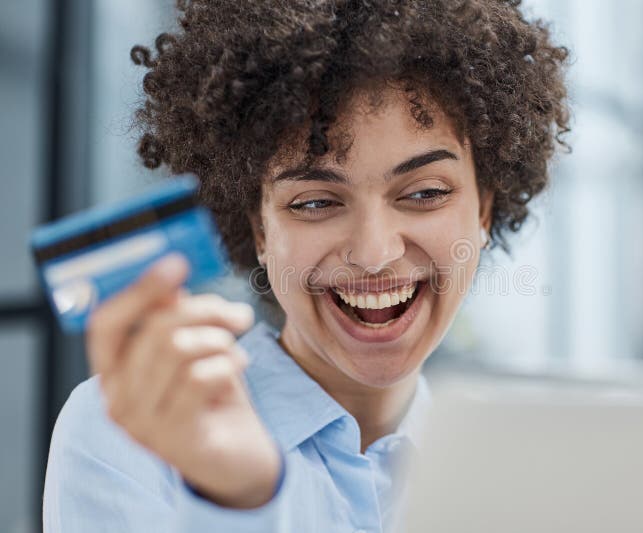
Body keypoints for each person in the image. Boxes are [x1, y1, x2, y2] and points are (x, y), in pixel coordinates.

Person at [42, 1, 570, 531]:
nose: (374, 252)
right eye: (315, 203)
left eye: (425, 192)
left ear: (482, 208)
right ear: (259, 230)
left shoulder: (522, 477)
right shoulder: (127, 432)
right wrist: (238, 499)